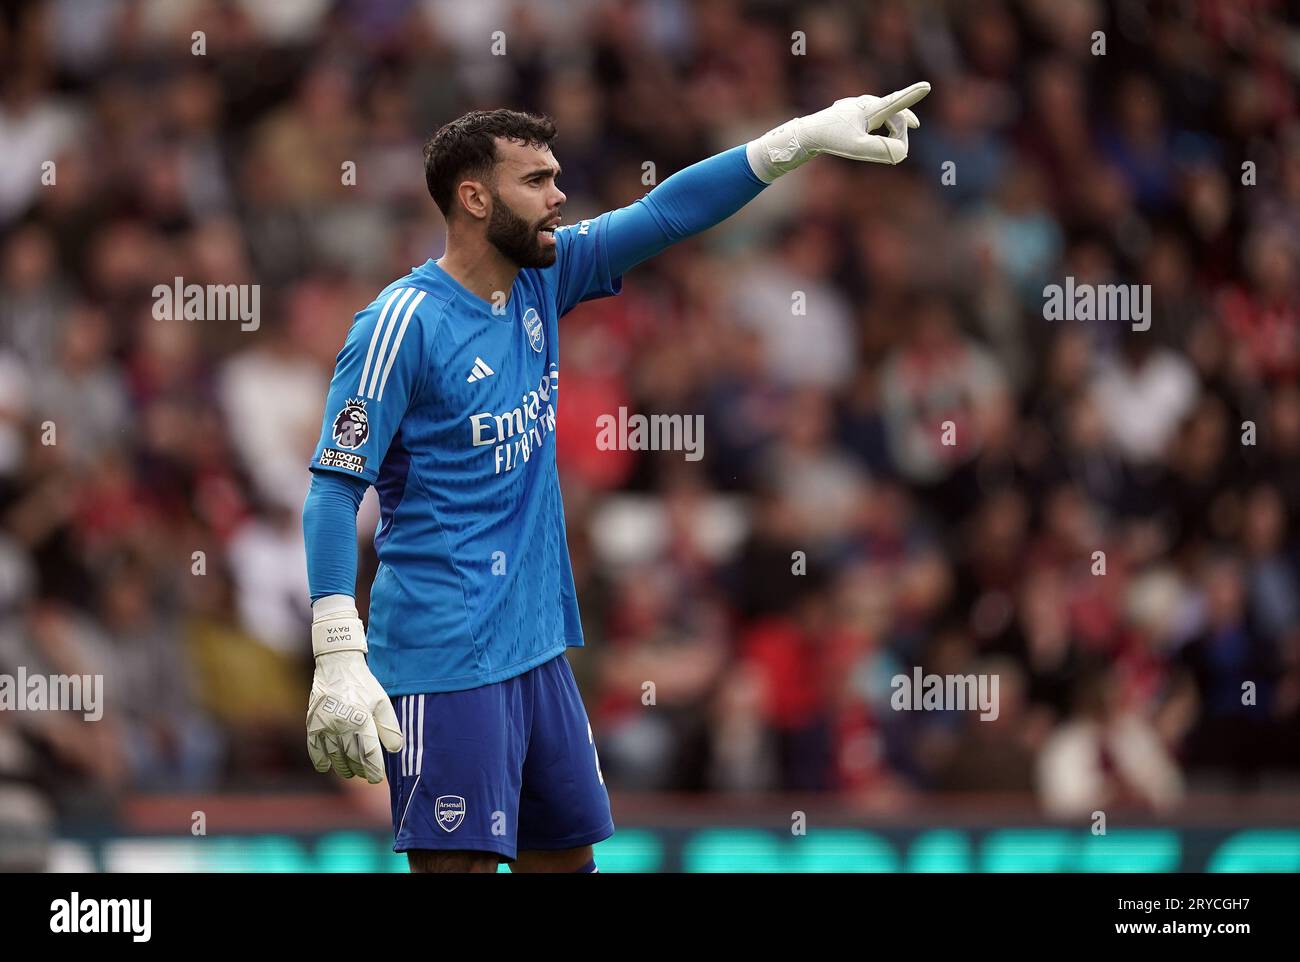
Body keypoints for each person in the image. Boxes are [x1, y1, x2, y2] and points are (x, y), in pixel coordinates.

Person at [301, 84, 932, 873]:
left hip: (538, 655)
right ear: (474, 197)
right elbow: (334, 487)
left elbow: (666, 214)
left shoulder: (542, 277)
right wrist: (336, 646)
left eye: (557, 178)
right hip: (444, 659)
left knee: (569, 866)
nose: (558, 196)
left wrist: (798, 139)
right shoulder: (401, 326)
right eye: (536, 181)